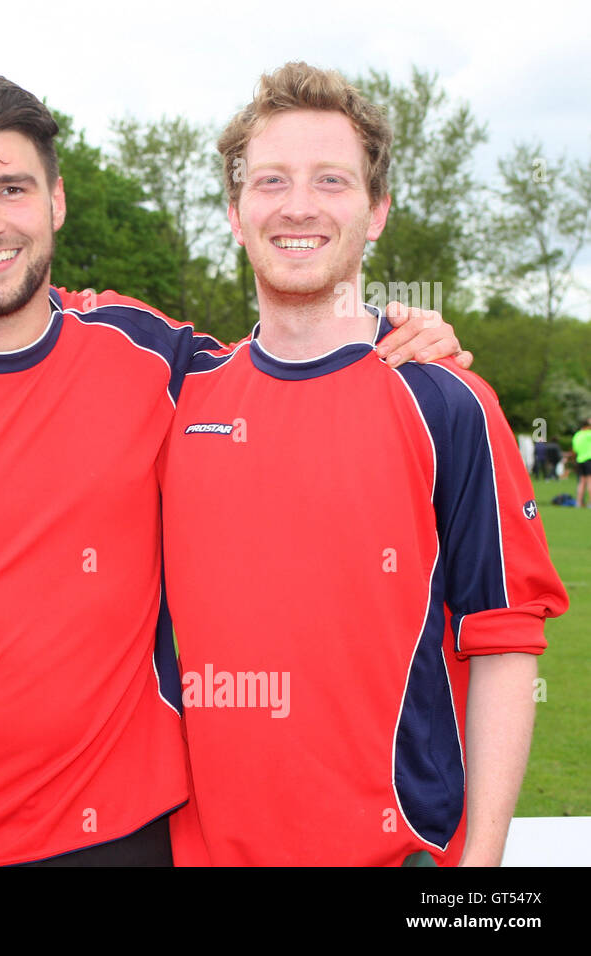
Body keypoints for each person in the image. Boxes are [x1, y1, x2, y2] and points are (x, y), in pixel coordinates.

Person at [0, 74, 467, 866]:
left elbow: (291, 359)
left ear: (56, 203)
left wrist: (397, 328)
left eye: (13, 189)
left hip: (124, 833)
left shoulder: (152, 358)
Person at [159, 63, 568, 866]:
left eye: (332, 180)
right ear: (236, 215)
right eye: (270, 180)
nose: (299, 205)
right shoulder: (178, 398)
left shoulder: (449, 403)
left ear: (376, 212)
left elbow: (505, 643)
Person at [574, 418, 591, 507]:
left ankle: (578, 502)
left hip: (580, 460)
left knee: (581, 482)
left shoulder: (577, 435)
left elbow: (575, 449)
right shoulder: (589, 434)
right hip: (589, 459)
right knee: (589, 482)